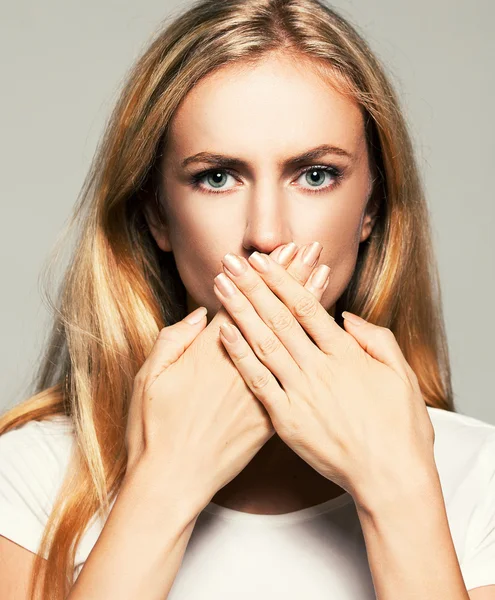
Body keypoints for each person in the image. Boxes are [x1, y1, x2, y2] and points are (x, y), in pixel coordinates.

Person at [0, 0, 494, 598]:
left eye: (314, 174)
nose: (265, 232)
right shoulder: (27, 479)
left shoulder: (480, 480)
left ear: (370, 207)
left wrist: (397, 489)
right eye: (217, 177)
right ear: (158, 213)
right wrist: (163, 484)